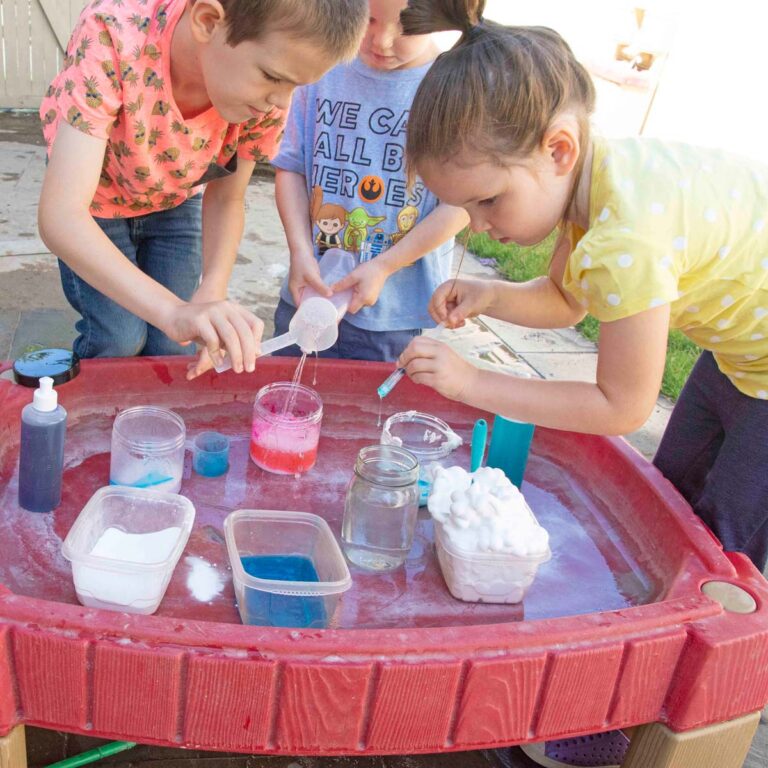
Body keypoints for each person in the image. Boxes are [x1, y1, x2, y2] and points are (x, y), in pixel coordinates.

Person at [396, 3, 768, 764]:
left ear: (558, 148)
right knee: (665, 514)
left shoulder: (625, 229)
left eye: (488, 200)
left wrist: (474, 383)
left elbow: (619, 404)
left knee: (718, 564)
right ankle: (628, 690)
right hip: (742, 357)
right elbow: (569, 300)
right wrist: (497, 298)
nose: (479, 223)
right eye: (465, 207)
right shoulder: (592, 182)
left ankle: (668, 723)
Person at [38, 0, 368, 377]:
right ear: (209, 22)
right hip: (95, 197)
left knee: (173, 343)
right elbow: (62, 215)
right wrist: (173, 310)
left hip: (174, 194)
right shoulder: (111, 35)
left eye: (297, 86)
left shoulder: (268, 96)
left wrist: (213, 288)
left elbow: (228, 197)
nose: (281, 102)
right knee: (120, 338)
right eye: (273, 77)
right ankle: (95, 414)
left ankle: (151, 421)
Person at [269, 0, 469, 362]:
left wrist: (385, 265)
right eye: (368, 20)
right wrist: (300, 251)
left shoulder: (453, 89)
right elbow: (291, 167)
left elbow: (462, 205)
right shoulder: (322, 68)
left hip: (390, 315)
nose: (382, 41)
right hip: (308, 292)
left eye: (405, 27)